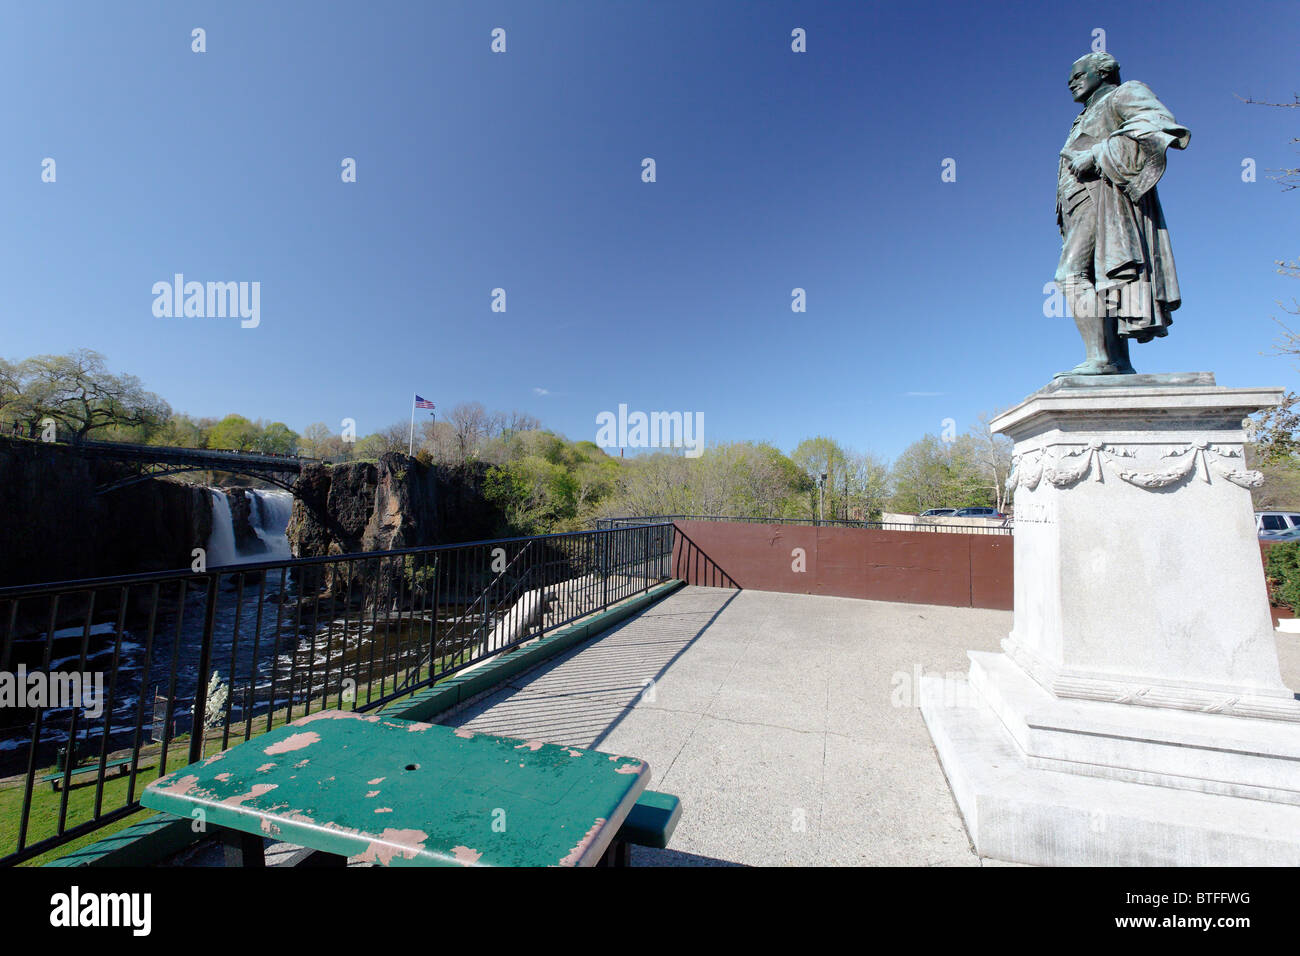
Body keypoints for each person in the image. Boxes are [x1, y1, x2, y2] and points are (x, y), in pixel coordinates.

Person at [1055, 52, 1189, 376]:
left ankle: (1100, 359)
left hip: (1103, 198)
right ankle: (1117, 362)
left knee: (1069, 276)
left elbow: (1155, 125)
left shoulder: (1124, 93)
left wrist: (1097, 154)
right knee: (1106, 282)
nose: (1071, 82)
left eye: (1078, 74)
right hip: (1079, 205)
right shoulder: (1084, 115)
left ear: (1103, 72)